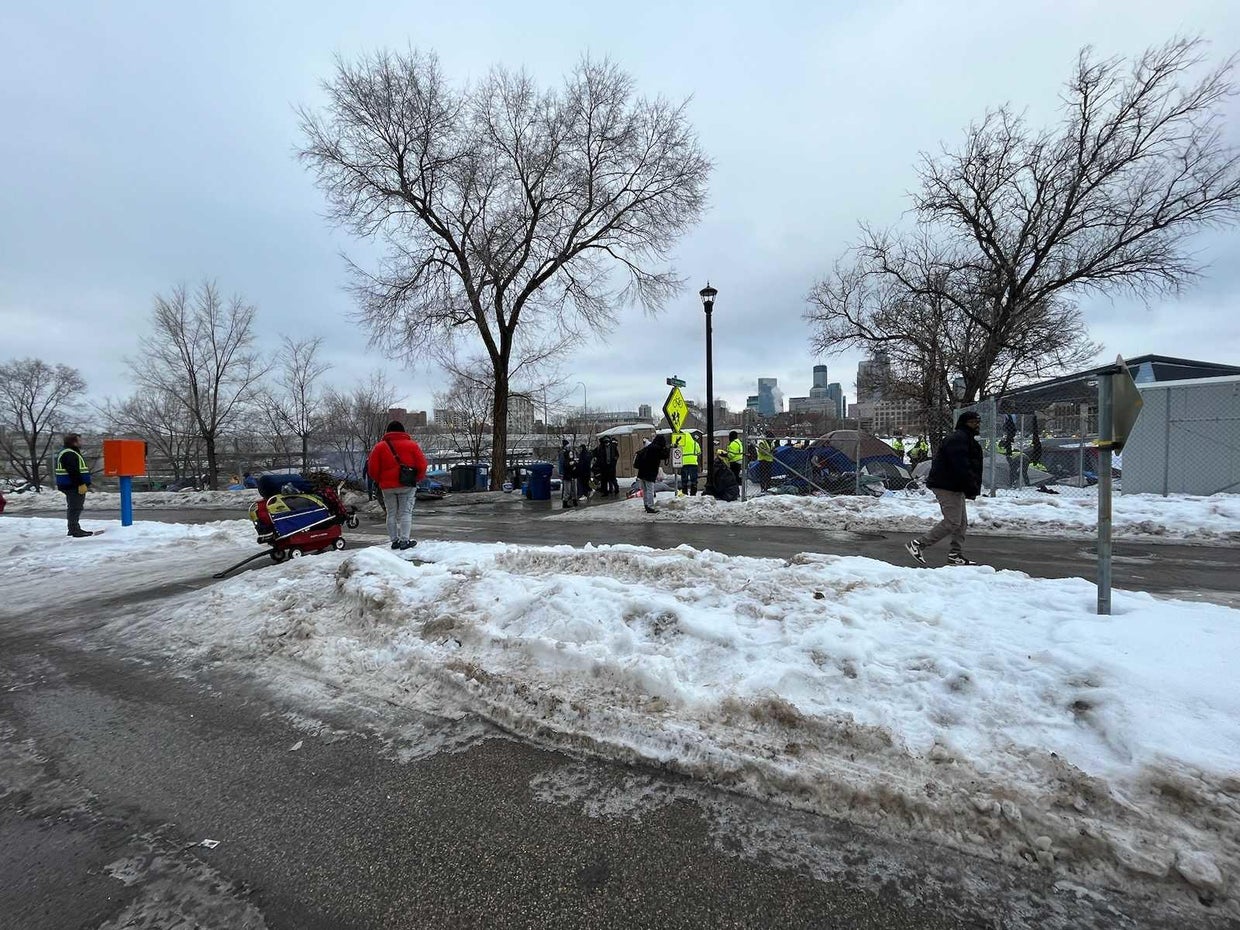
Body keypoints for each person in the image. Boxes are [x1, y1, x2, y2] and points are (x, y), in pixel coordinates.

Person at [906, 412, 984, 566]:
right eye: (973, 422)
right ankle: (918, 544)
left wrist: (970, 486)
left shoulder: (965, 439)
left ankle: (955, 555)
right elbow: (961, 465)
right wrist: (970, 485)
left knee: (962, 523)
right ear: (965, 423)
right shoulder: (958, 439)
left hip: (955, 485)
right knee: (953, 522)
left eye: (978, 422)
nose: (977, 425)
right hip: (947, 485)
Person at [366, 420, 428, 550]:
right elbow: (422, 465)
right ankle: (404, 540)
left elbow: (372, 469)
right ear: (403, 431)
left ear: (387, 432)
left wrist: (381, 480)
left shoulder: (379, 447)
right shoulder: (412, 445)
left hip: (387, 487)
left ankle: (394, 541)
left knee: (391, 513)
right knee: (405, 513)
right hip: (407, 485)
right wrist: (417, 478)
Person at [54, 432, 95, 537]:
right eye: (80, 440)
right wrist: (80, 484)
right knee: (75, 507)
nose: (82, 442)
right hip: (72, 485)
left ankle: (74, 528)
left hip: (70, 484)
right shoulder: (69, 453)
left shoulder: (70, 452)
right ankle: (74, 529)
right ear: (74, 442)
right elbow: (73, 470)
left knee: (75, 506)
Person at [633, 433, 668, 513]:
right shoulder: (656, 449)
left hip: (642, 472)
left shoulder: (649, 447)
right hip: (649, 473)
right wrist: (666, 448)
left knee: (645, 490)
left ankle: (646, 505)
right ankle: (651, 507)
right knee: (650, 490)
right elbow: (664, 455)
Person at [673, 430, 701, 496]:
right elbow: (699, 452)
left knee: (684, 479)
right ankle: (693, 493)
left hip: (684, 463)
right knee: (693, 479)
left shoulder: (681, 444)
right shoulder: (695, 443)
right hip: (693, 463)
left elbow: (677, 451)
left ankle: (685, 492)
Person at [558, 440, 578, 508]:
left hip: (570, 476)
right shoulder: (564, 455)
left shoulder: (568, 456)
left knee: (572, 489)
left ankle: (571, 500)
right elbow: (563, 464)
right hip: (567, 476)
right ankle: (566, 501)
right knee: (567, 489)